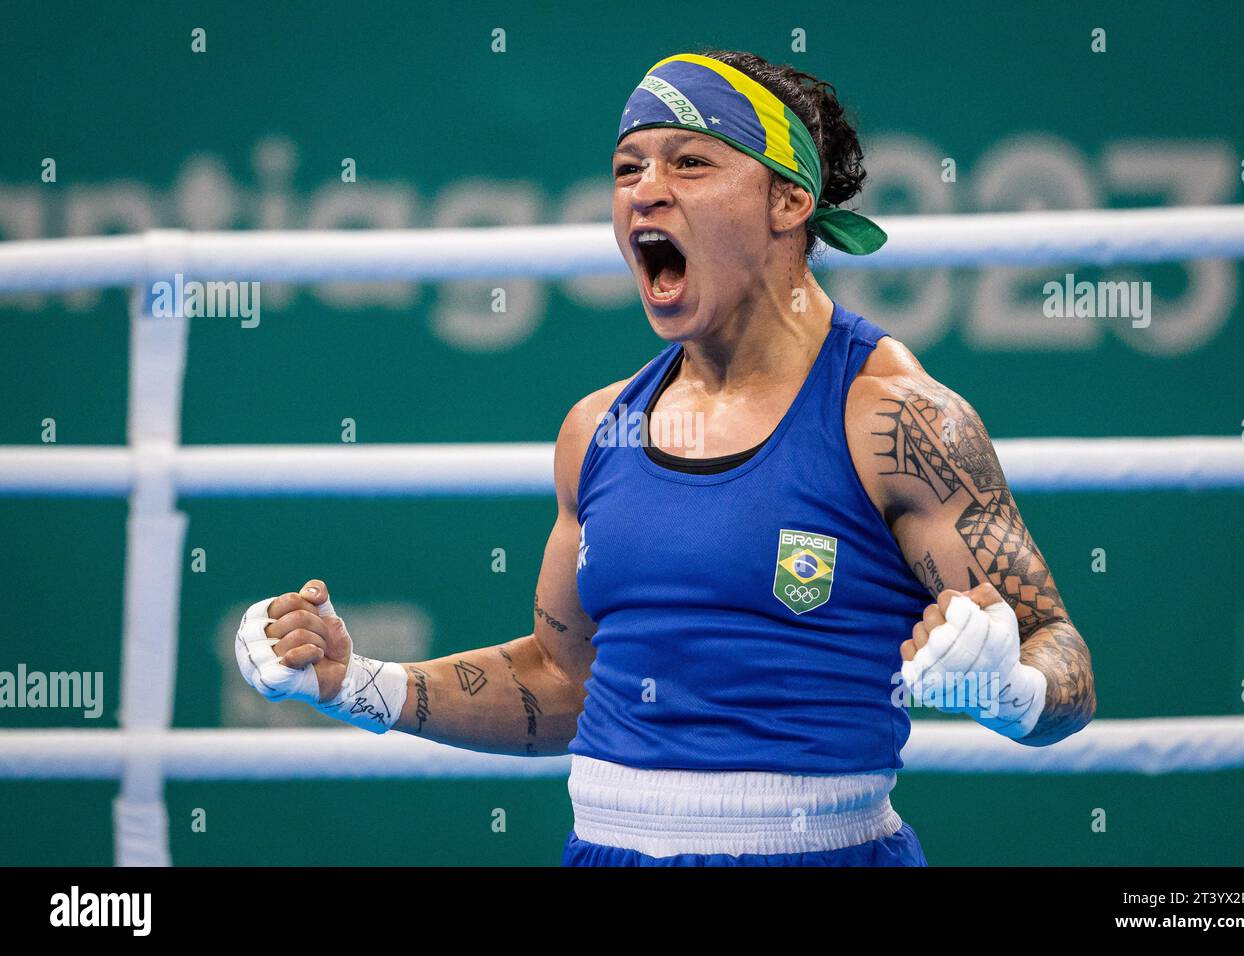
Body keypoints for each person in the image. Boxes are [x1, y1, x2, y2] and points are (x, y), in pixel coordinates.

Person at [235, 49, 1096, 866]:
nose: (645, 192)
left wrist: (1011, 689)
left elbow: (1062, 656)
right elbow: (562, 678)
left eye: (689, 162)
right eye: (626, 168)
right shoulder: (597, 429)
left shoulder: (896, 420)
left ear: (790, 200)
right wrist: (358, 682)